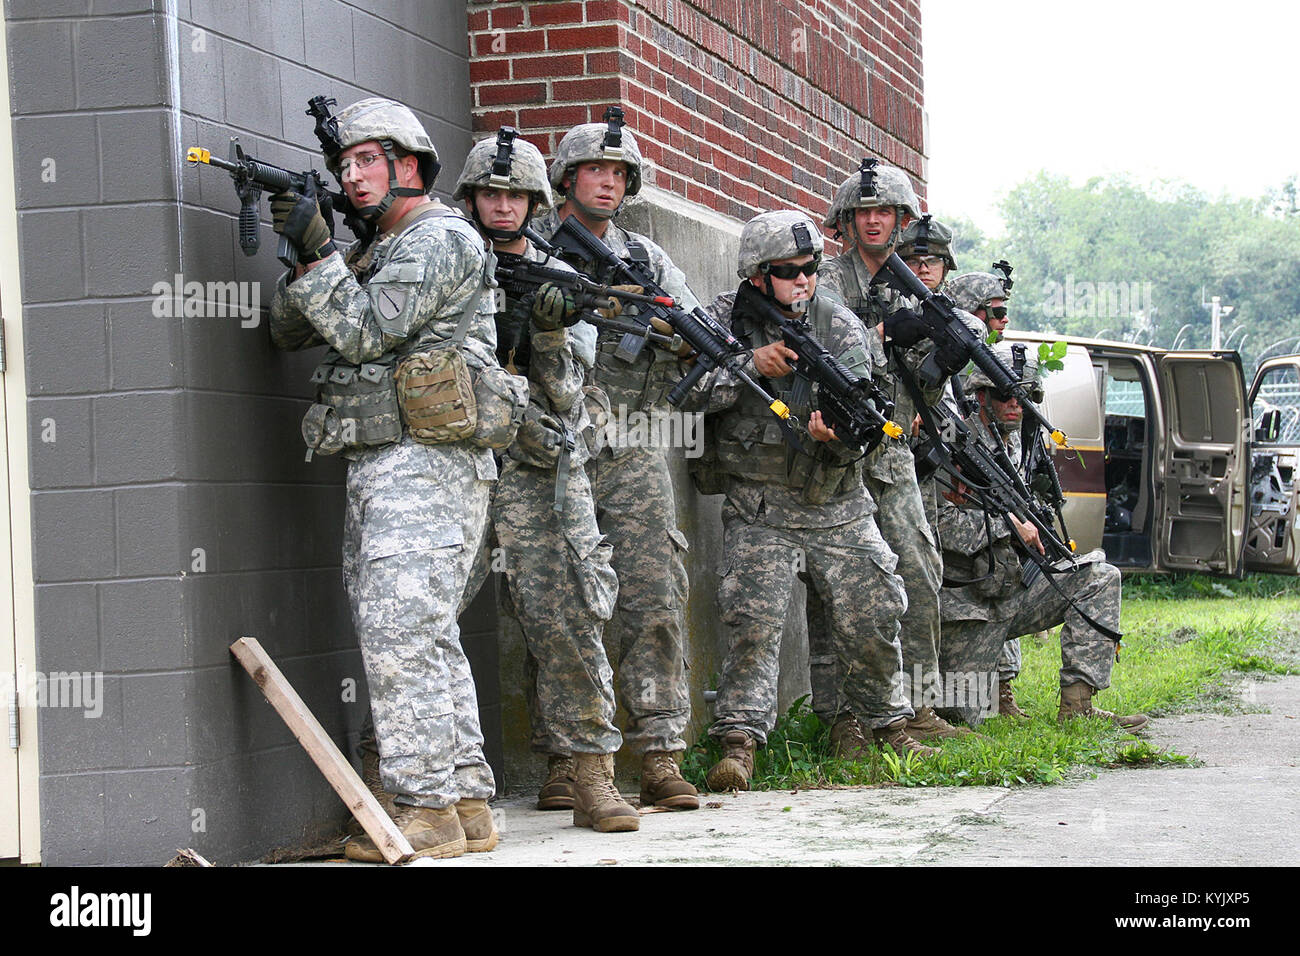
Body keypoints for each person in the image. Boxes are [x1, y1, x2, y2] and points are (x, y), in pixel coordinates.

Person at [268, 97, 507, 860]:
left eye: (368, 159)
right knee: (426, 634)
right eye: (345, 164)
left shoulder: (438, 239)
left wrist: (322, 256)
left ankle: (423, 809)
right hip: (389, 459)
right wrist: (311, 252)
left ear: (409, 164)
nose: (353, 174)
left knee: (400, 634)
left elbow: (366, 332)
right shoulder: (379, 249)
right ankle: (465, 802)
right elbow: (288, 326)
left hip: (427, 460)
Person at [688, 209, 916, 791]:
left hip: (838, 504)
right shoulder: (724, 318)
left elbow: (870, 425)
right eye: (789, 271)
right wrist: (747, 367)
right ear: (758, 275)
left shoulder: (839, 327)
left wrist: (835, 441)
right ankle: (739, 743)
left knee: (873, 613)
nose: (804, 281)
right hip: (761, 505)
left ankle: (884, 724)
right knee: (753, 623)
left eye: (811, 268)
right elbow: (686, 395)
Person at [451, 129, 639, 831]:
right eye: (490, 193)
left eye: (515, 195)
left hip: (538, 469)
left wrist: (552, 334)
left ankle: (591, 774)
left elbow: (568, 394)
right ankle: (411, 775)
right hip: (459, 463)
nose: (502, 205)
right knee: (425, 617)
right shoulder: (445, 261)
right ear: (471, 198)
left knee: (570, 619)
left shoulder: (561, 274)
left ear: (534, 201)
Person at [531, 111, 699, 811]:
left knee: (654, 591)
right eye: (595, 170)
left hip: (630, 442)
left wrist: (655, 319)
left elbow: (696, 332)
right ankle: (570, 760)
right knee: (557, 601)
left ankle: (660, 753)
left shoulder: (647, 257)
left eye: (619, 173)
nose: (607, 181)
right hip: (552, 442)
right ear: (567, 179)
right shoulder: (532, 248)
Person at [813, 162, 963, 751]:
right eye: (863, 213)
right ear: (847, 222)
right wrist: (874, 337)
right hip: (838, 454)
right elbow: (818, 349)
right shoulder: (824, 278)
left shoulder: (915, 286)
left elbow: (923, 387)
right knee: (839, 584)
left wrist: (941, 357)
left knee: (919, 569)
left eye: (886, 213)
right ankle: (842, 717)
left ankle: (918, 705)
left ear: (902, 220)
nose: (875, 222)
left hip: (895, 450)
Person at [937, 346, 1149, 731]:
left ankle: (1077, 706)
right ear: (982, 395)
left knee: (1099, 577)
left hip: (1009, 592)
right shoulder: (953, 444)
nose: (1016, 405)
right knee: (962, 717)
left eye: (1026, 396)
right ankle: (993, 695)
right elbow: (935, 524)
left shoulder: (1019, 442)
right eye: (1006, 395)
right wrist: (1007, 525)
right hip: (964, 605)